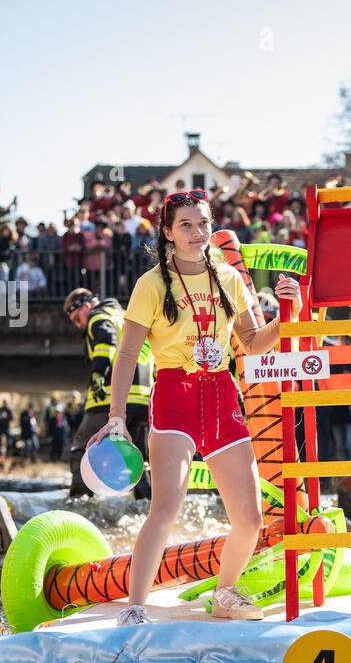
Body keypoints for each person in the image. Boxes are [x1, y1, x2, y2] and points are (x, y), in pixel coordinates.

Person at [87, 188, 296, 623]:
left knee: (251, 516)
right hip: (174, 397)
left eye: (203, 222)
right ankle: (136, 607)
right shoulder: (151, 284)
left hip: (221, 395)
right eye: (185, 224)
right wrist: (117, 416)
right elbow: (126, 354)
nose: (197, 232)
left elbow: (253, 344)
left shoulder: (230, 279)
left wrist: (289, 314)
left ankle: (225, 594)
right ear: (167, 232)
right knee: (166, 507)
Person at [64, 287, 154, 499]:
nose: (79, 325)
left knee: (82, 449)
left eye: (77, 318)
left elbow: (106, 342)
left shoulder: (99, 318)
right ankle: (146, 505)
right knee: (138, 458)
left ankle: (79, 505)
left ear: (86, 305)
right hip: (142, 401)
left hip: (109, 399)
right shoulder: (127, 318)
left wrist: (98, 374)